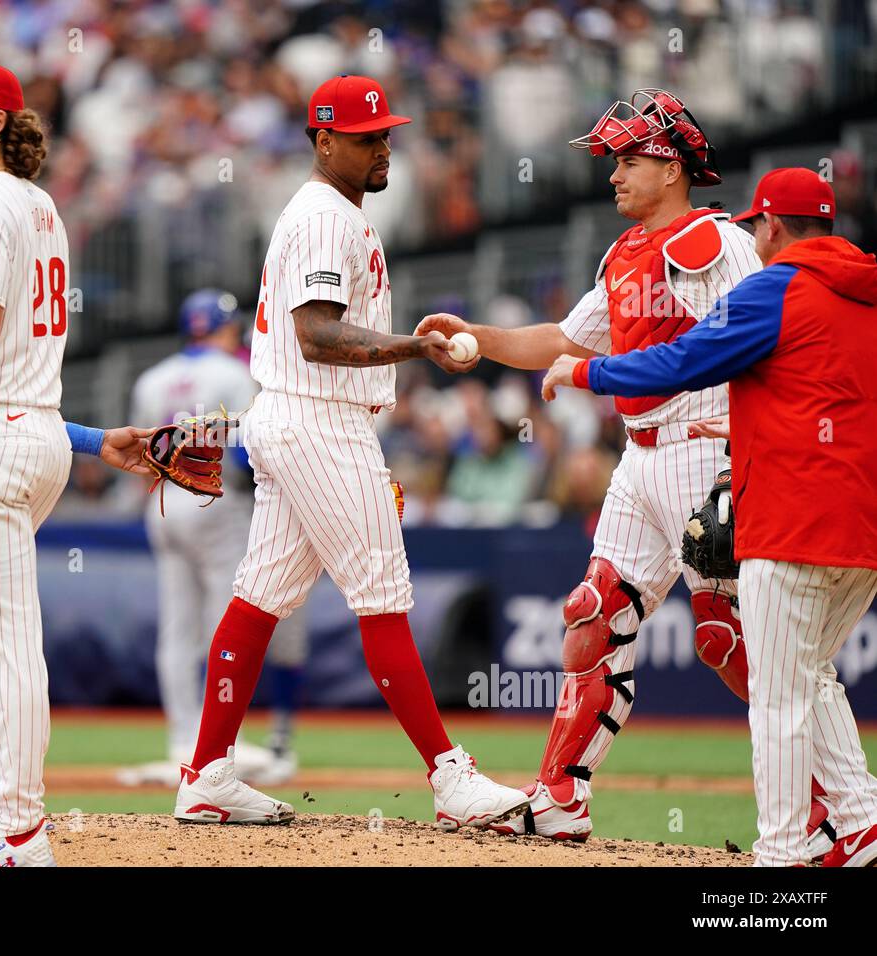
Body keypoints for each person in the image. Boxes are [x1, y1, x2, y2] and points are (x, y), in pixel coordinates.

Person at [415, 90, 837, 847]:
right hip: (638, 455)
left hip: (704, 442)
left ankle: (828, 805)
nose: (613, 174)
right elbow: (562, 341)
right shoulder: (624, 251)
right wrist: (477, 335)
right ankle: (558, 798)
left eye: (628, 159)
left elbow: (756, 338)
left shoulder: (716, 241)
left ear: (670, 166)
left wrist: (746, 456)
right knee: (592, 613)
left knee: (732, 640)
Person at [172, 74, 528, 831]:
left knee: (261, 594)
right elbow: (319, 333)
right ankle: (449, 776)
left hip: (295, 417)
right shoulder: (325, 215)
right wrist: (415, 347)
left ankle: (206, 774)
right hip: (317, 420)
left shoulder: (328, 213)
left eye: (387, 133)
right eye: (367, 136)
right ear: (324, 140)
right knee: (383, 591)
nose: (383, 145)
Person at [542, 167, 877, 867]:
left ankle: (783, 857)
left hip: (792, 524)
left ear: (773, 226)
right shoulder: (868, 296)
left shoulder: (774, 286)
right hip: (863, 533)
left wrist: (587, 374)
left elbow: (686, 359)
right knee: (811, 677)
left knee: (781, 696)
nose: (751, 236)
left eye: (756, 225)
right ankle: (861, 819)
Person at [0, 62, 153, 868]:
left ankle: (20, 833)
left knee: (5, 645)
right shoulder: (41, 207)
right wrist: (91, 440)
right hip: (34, 430)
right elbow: (13, 354)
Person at [121, 289, 307, 788]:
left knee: (176, 631)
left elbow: (143, 453)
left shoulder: (151, 378)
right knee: (224, 624)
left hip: (163, 504)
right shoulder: (232, 371)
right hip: (216, 504)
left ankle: (182, 740)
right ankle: (216, 745)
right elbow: (250, 451)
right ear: (224, 330)